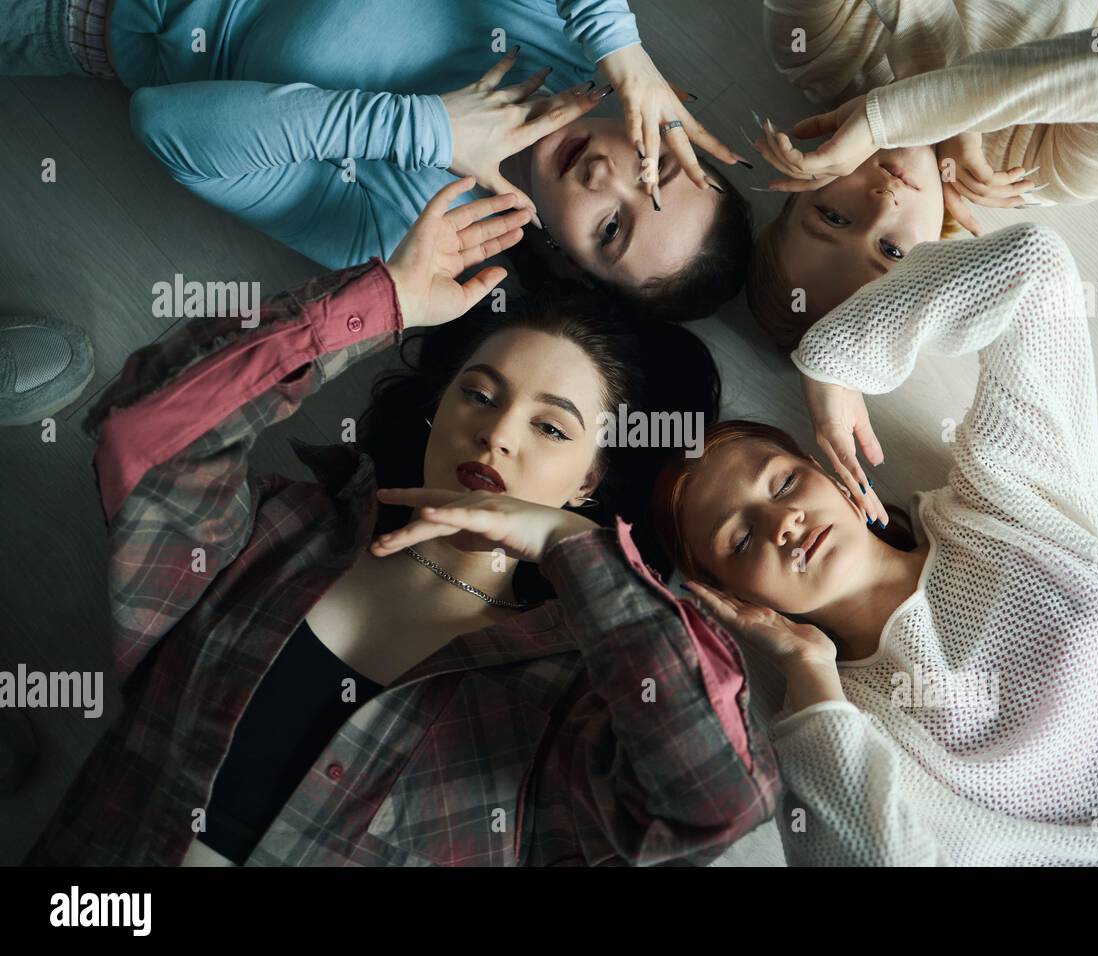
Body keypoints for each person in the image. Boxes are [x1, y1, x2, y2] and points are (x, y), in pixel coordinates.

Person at [21, 177, 779, 866]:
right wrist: (385, 304)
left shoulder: (567, 695)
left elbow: (718, 805)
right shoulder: (282, 529)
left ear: (591, 479)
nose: (497, 434)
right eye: (479, 395)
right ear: (437, 409)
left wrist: (567, 545)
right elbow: (141, 437)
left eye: (552, 428)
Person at [651, 222, 1098, 866]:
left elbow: (1033, 270)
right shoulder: (836, 720)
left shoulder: (999, 494)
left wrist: (831, 364)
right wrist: (807, 670)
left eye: (785, 481)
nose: (782, 522)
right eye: (740, 539)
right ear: (731, 595)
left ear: (833, 473)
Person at [1, 0, 755, 322]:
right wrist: (619, 42)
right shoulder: (576, 33)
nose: (606, 178)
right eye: (653, 166)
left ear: (568, 261)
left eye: (612, 230)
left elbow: (166, 127)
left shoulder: (417, 233)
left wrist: (424, 127)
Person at [746, 0, 1098, 347]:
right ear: (932, 265)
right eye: (891, 250)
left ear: (797, 193)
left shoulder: (815, 55)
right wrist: (955, 116)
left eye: (835, 218)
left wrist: (913, 109)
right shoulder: (1042, 173)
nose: (883, 203)